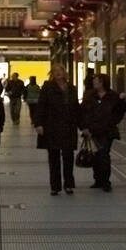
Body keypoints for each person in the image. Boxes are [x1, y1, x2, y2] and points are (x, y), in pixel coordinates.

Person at [36, 63, 79, 195]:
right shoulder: (47, 88)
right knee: (53, 157)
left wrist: (82, 124)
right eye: (55, 71)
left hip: (68, 126)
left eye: (60, 70)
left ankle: (69, 184)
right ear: (52, 74)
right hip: (52, 126)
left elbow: (76, 107)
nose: (58, 73)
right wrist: (38, 124)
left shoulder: (71, 88)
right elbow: (41, 106)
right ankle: (55, 186)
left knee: (68, 156)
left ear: (65, 72)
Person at [80, 72, 123, 191]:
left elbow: (118, 112)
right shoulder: (89, 95)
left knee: (104, 154)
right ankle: (97, 179)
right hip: (92, 131)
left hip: (107, 130)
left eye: (97, 81)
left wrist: (112, 122)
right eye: (94, 81)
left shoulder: (113, 96)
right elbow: (83, 112)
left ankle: (105, 181)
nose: (94, 83)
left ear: (103, 82)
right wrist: (84, 127)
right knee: (95, 154)